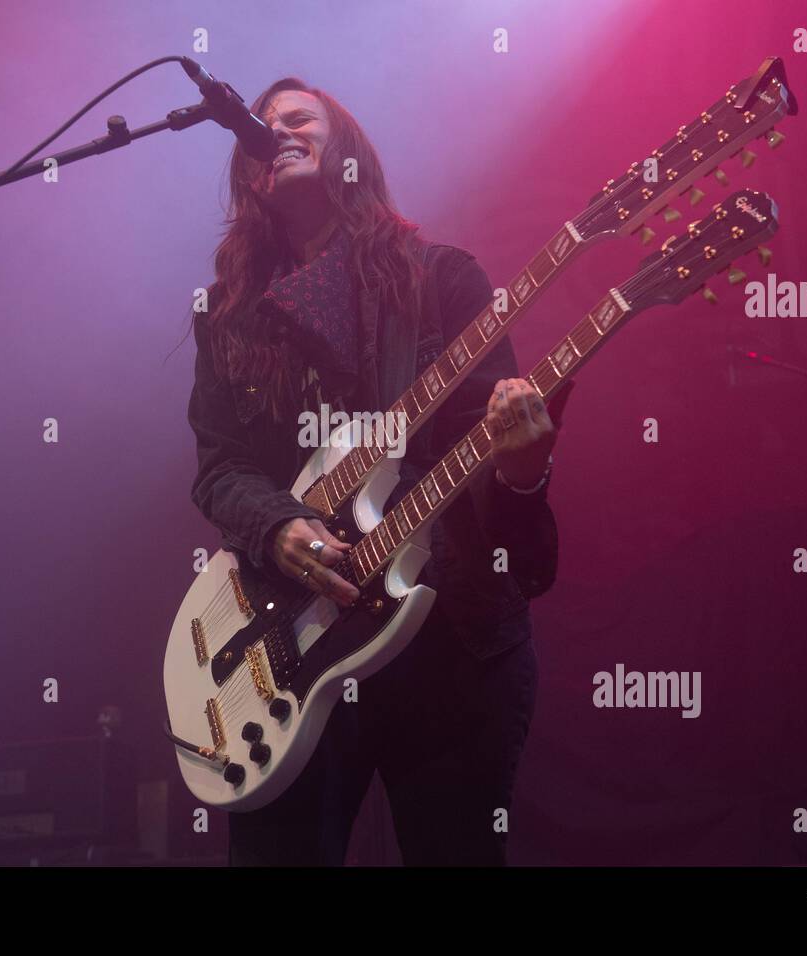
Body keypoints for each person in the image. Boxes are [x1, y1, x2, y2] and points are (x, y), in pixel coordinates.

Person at [187, 77, 570, 865]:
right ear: (247, 174)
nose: (277, 130)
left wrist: (525, 468)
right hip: (294, 643)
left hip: (448, 640)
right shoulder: (229, 319)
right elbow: (220, 468)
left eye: (300, 119)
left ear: (349, 149)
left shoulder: (442, 280)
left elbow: (496, 468)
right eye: (260, 128)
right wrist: (277, 526)